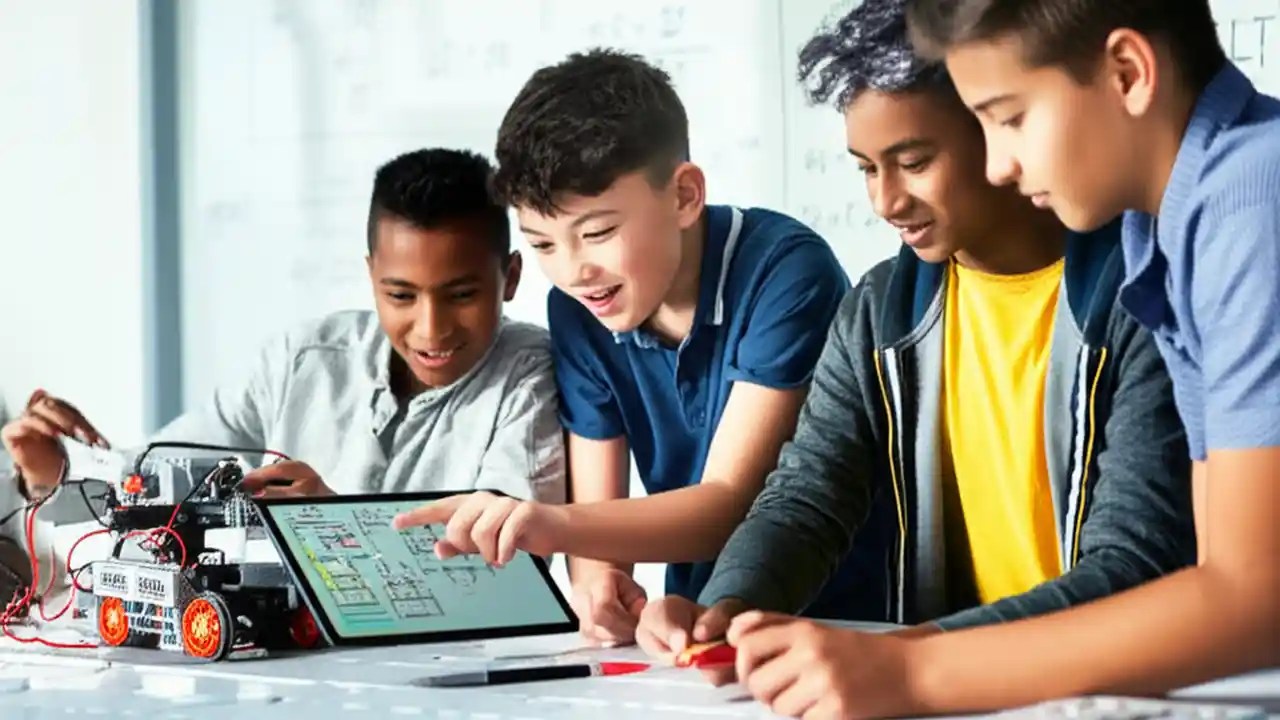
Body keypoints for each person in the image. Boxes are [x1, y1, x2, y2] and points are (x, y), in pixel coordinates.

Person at [694, 0, 1280, 716]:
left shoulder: (1251, 198)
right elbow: (1227, 584)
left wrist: (910, 668)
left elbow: (1252, 594)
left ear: (1127, 72)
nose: (1001, 162)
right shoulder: (1165, 237)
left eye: (1007, 118)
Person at [392, 49, 852, 644]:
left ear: (685, 195)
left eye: (598, 233)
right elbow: (596, 511)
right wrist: (599, 585)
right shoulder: (579, 313)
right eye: (543, 244)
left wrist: (551, 525)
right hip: (702, 624)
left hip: (841, 615)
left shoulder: (785, 271)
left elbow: (729, 507)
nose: (574, 271)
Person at [1, 149, 565, 601]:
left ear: (510, 277)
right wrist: (65, 471)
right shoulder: (306, 359)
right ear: (371, 278)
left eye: (462, 295)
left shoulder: (533, 378)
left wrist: (327, 521)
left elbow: (510, 574)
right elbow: (166, 470)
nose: (431, 328)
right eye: (400, 295)